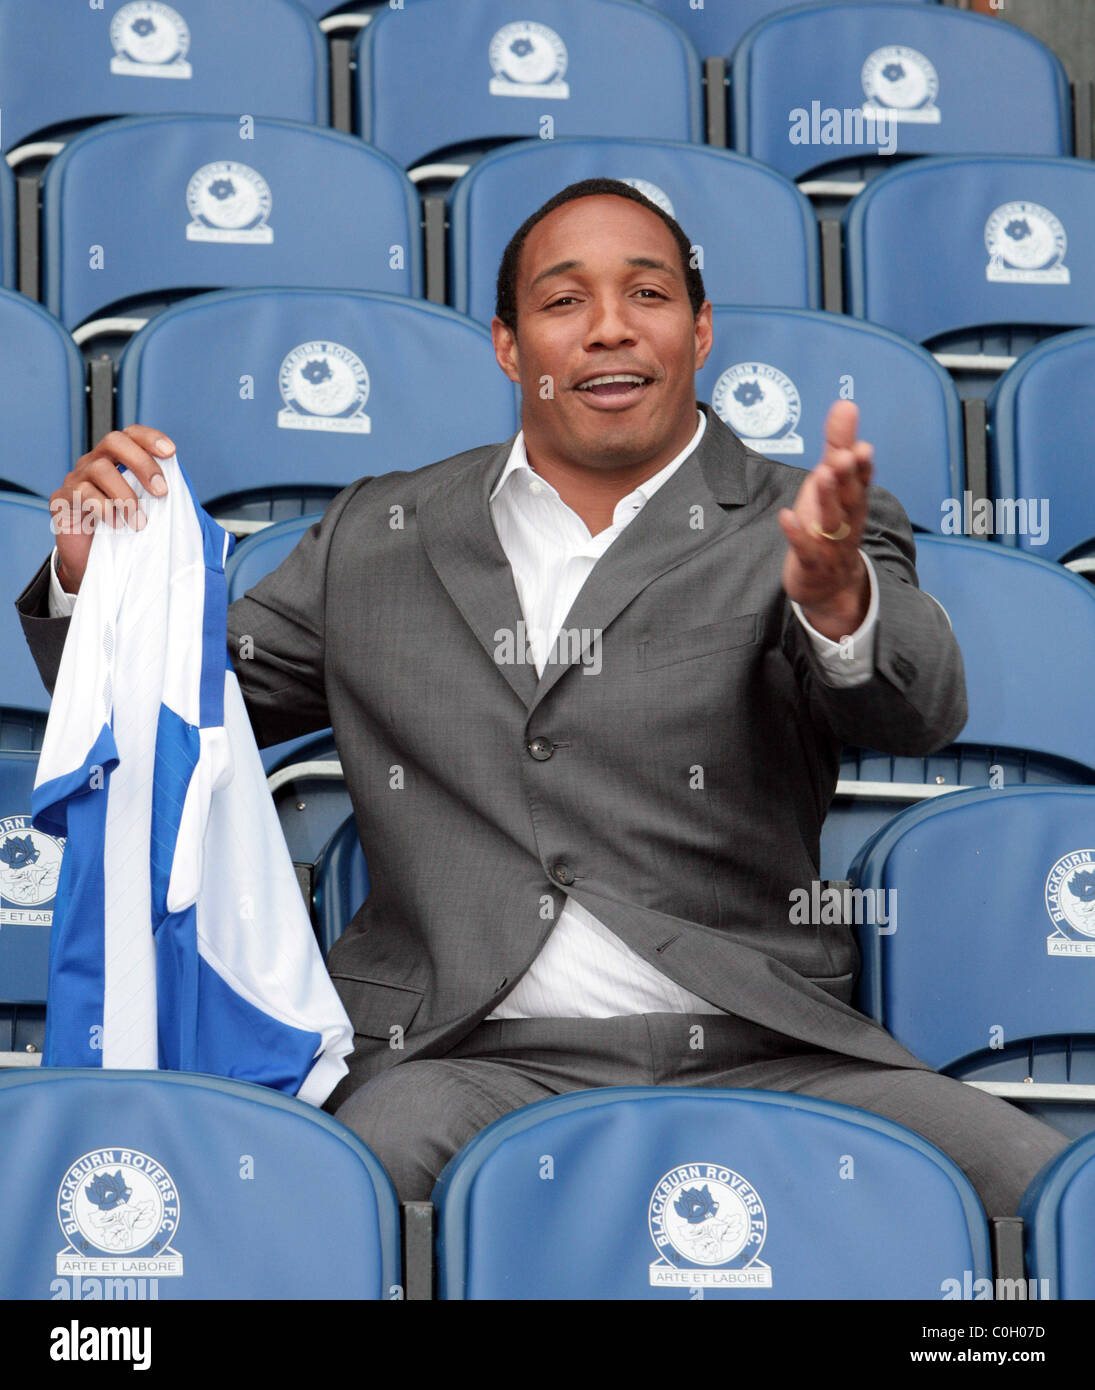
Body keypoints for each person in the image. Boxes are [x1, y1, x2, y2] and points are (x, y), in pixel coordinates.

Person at [18, 178, 1068, 1215]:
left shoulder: (804, 518)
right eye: (565, 302)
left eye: (648, 296)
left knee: (1042, 1190)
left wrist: (842, 606)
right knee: (325, 1203)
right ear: (509, 346)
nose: (609, 329)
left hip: (773, 1046)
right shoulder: (379, 533)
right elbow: (175, 719)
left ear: (701, 333)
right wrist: (89, 581)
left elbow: (917, 712)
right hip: (462, 1061)